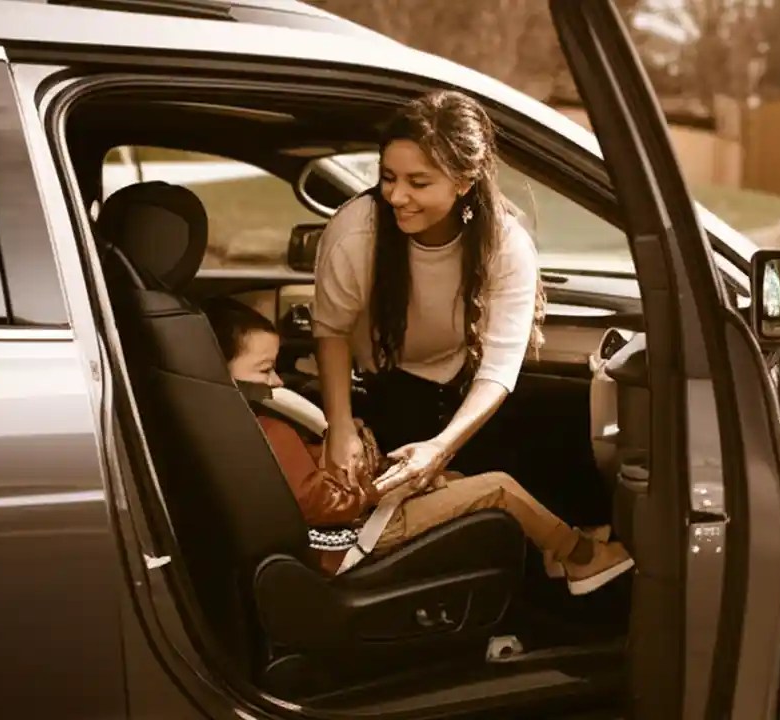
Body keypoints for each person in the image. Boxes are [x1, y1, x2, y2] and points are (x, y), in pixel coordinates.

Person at [204, 297, 633, 595]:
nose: (277, 381)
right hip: (351, 539)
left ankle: (554, 547)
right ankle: (581, 558)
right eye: (264, 370)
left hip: (348, 523)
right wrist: (383, 487)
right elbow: (322, 505)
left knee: (456, 479)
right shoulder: (266, 432)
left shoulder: (242, 423)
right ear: (218, 372)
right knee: (497, 486)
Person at [311, 89, 542, 494]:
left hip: (468, 397)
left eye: (418, 182)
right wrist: (341, 426)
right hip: (383, 387)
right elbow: (331, 329)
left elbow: (499, 369)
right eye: (388, 177)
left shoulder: (506, 245)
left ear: (464, 181)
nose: (397, 196)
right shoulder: (355, 233)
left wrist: (440, 447)